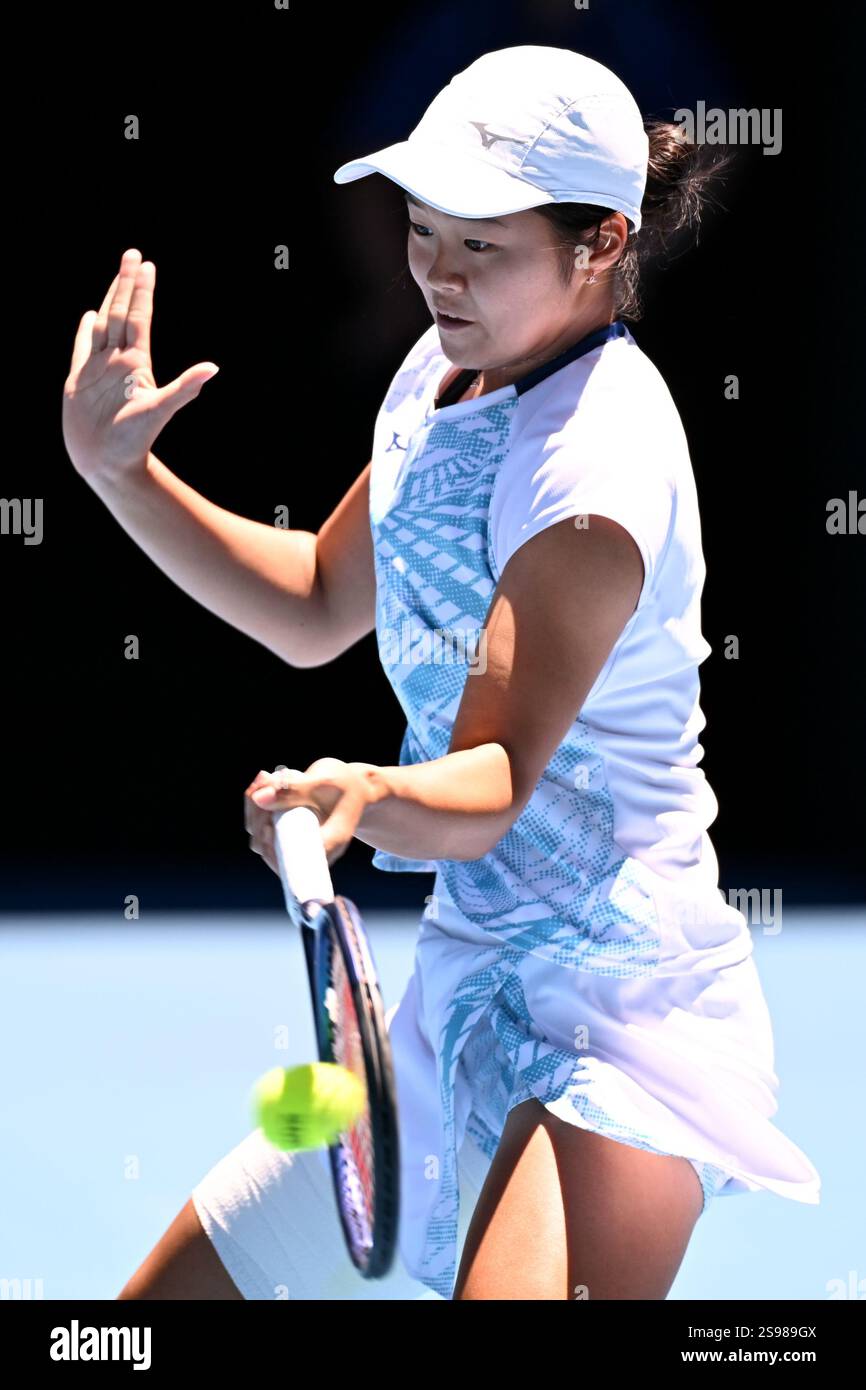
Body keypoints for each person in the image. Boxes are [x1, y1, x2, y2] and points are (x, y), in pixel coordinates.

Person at [62, 46, 820, 1301]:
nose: (435, 271)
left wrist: (361, 793)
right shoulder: (442, 371)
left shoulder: (594, 469)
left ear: (599, 243)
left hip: (617, 1030)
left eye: (481, 244)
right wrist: (119, 476)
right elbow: (315, 600)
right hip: (460, 991)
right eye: (422, 230)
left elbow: (493, 784)